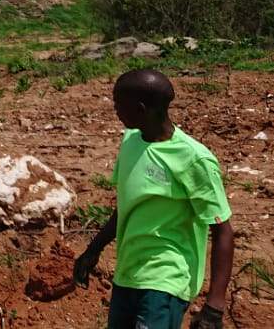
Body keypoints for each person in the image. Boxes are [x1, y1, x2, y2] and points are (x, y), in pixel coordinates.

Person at [73, 69, 234, 329]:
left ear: (140, 109)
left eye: (118, 104)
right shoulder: (130, 143)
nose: (114, 109)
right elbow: (126, 206)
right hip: (127, 274)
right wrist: (93, 251)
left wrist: (214, 306)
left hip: (165, 279)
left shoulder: (193, 159)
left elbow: (223, 230)